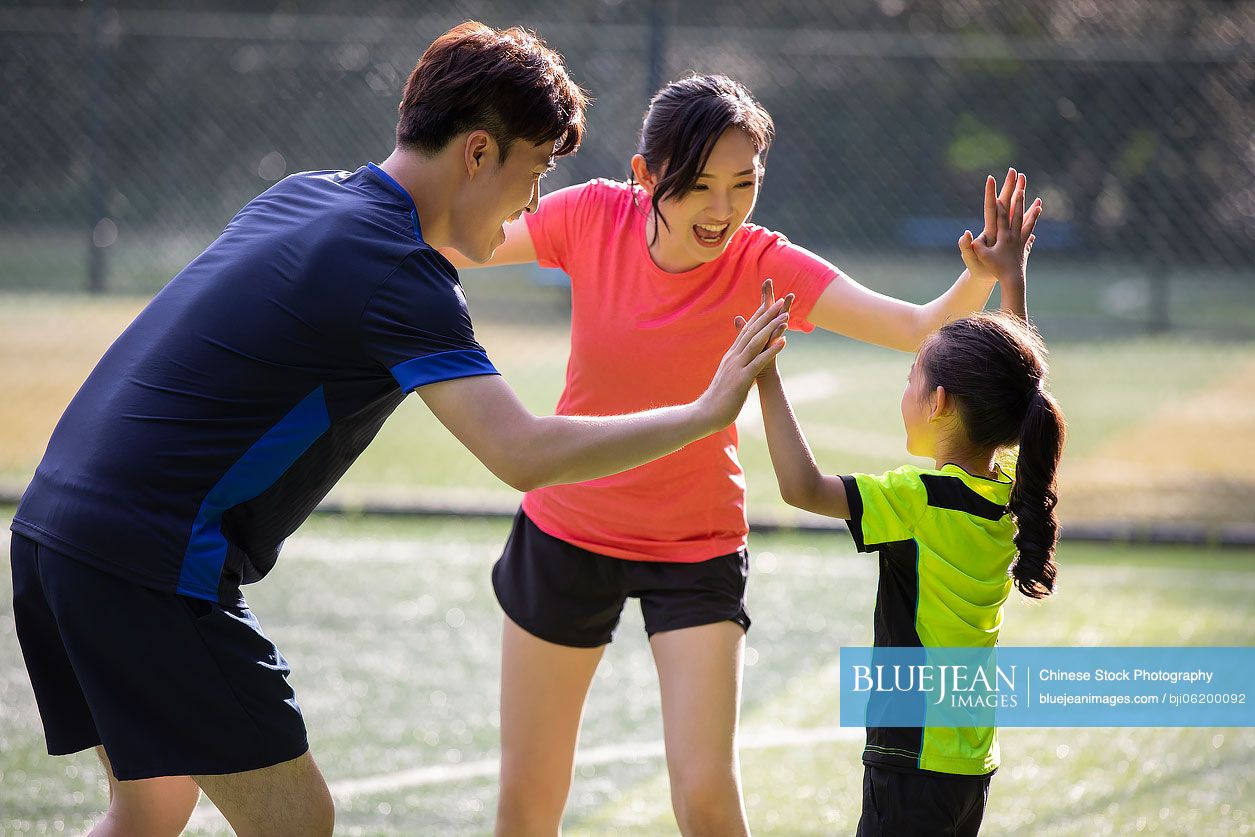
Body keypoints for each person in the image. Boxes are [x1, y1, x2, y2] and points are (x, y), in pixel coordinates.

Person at [7, 24, 791, 837]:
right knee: (296, 822)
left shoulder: (304, 193)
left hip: (49, 531)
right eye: (534, 173)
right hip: (147, 563)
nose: (533, 203)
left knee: (149, 808)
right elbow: (520, 452)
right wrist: (704, 413)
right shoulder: (399, 271)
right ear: (478, 153)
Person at [445, 73, 1042, 835]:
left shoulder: (765, 261)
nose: (723, 209)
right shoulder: (593, 215)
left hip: (695, 547)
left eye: (743, 183)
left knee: (704, 796)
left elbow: (914, 326)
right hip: (564, 531)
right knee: (527, 803)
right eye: (698, 186)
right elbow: (468, 236)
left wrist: (978, 277)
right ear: (644, 175)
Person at [749, 181, 1066, 835]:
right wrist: (1011, 276)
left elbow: (801, 487)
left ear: (941, 402)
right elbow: (1018, 386)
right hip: (970, 760)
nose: (903, 390)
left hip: (911, 754)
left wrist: (765, 376)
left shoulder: (917, 500)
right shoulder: (1011, 493)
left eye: (910, 377)